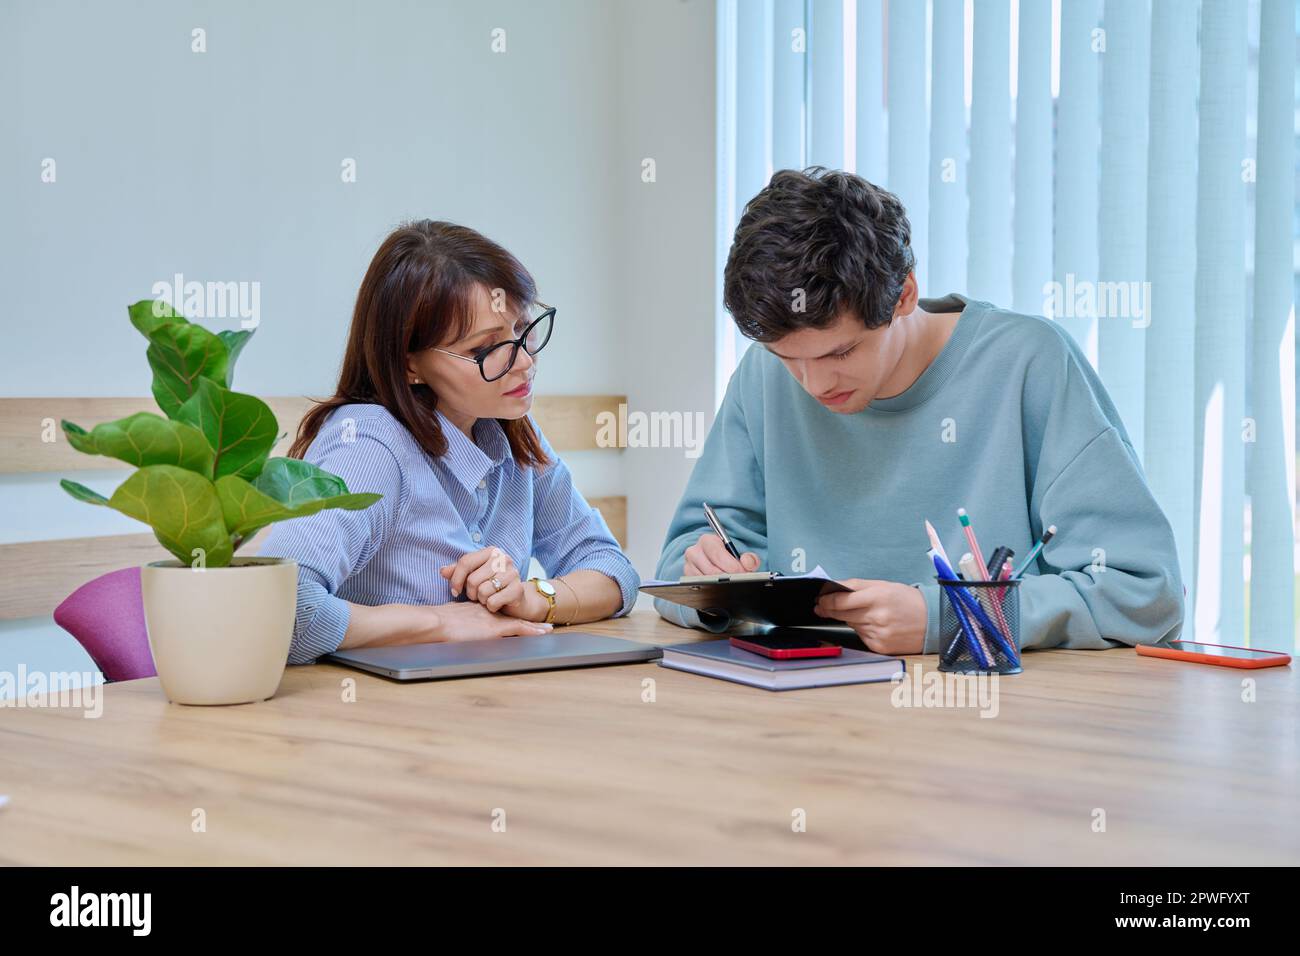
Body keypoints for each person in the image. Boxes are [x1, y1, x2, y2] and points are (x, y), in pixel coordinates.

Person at [655, 167, 1184, 656]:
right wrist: (709, 580)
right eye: (788, 358)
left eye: (840, 353)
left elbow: (1142, 596)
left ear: (903, 294)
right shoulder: (762, 374)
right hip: (805, 720)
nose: (814, 384)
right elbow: (677, 570)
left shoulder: (1028, 364)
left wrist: (953, 616)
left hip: (995, 722)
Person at [262, 219, 639, 664]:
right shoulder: (368, 445)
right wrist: (441, 623)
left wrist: (537, 597)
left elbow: (613, 571)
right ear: (410, 366)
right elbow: (279, 609)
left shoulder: (511, 431)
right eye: (485, 350)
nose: (524, 363)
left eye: (523, 328)